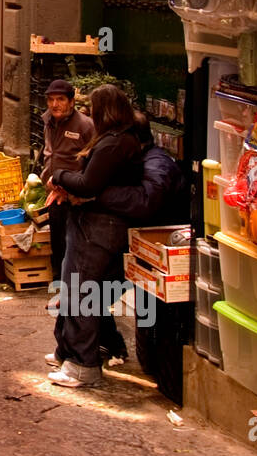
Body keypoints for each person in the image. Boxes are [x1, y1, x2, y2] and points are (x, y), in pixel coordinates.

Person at [46, 84, 142, 387]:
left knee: (81, 291)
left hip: (98, 228)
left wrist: (59, 177)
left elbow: (88, 184)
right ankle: (70, 353)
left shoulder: (115, 143)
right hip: (92, 224)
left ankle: (82, 364)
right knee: (76, 288)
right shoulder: (117, 141)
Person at [89, 112, 188, 365]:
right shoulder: (140, 158)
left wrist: (99, 194)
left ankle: (115, 347)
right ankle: (112, 345)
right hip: (141, 246)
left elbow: (146, 201)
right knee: (96, 292)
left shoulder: (156, 164)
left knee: (98, 293)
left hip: (157, 250)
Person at [40, 79, 95, 308]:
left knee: (75, 247)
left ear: (72, 101)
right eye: (51, 99)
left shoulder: (85, 126)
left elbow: (92, 161)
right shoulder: (47, 121)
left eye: (60, 99)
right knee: (58, 244)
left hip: (76, 196)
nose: (55, 104)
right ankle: (58, 291)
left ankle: (75, 294)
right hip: (55, 194)